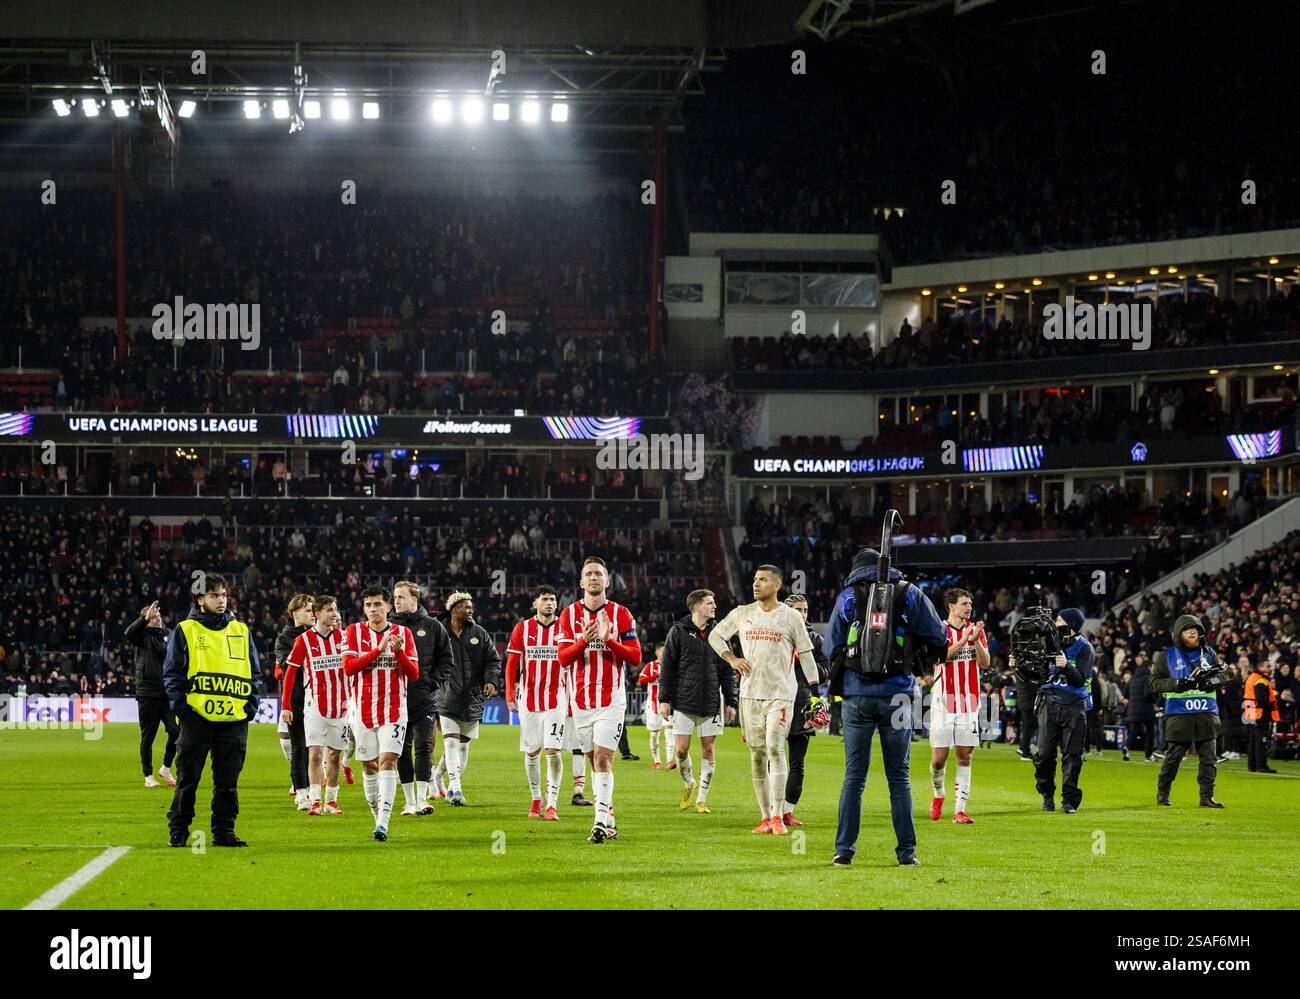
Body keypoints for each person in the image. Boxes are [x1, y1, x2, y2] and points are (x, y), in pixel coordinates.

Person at [825, 546, 947, 866]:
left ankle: (844, 852)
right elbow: (939, 637)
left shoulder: (848, 596)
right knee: (899, 778)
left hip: (857, 693)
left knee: (854, 776)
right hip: (898, 694)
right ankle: (906, 853)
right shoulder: (910, 593)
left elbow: (831, 646)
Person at [710, 565, 823, 837]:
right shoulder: (742, 613)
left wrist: (817, 692)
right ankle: (764, 817)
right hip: (750, 694)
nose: (756, 584)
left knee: (775, 748)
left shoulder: (791, 617)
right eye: (754, 579)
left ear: (777, 585)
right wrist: (732, 659)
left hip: (781, 694)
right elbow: (715, 636)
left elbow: (807, 655)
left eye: (763, 580)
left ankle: (777, 816)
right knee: (758, 754)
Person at [162, 572, 261, 848]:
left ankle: (224, 832)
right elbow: (172, 675)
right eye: (214, 595)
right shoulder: (185, 630)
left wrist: (249, 707)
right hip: (197, 720)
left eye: (223, 595)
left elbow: (254, 673)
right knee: (187, 779)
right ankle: (179, 831)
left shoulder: (240, 630)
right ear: (200, 599)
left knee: (227, 782)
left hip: (234, 719)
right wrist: (184, 710)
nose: (221, 600)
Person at [556, 556, 642, 844]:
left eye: (599, 574)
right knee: (595, 762)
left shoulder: (622, 614)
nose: (594, 578)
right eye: (589, 574)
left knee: (604, 758)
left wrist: (609, 641)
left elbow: (635, 656)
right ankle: (611, 818)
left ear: (607, 581)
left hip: (611, 700)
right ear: (581, 582)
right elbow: (563, 659)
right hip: (580, 702)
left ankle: (599, 822)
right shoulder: (568, 615)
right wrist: (584, 640)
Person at [341, 585, 419, 841]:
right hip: (362, 711)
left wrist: (397, 651)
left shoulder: (404, 634)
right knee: (369, 766)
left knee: (387, 761)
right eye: (368, 605)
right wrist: (378, 650)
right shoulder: (353, 632)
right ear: (364, 608)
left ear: (388, 606)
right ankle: (378, 817)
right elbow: (350, 668)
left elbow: (413, 674)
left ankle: (383, 823)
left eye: (378, 604)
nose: (373, 609)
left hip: (394, 711)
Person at [659, 588, 737, 815]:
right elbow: (668, 668)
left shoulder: (719, 634)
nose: (714, 606)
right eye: (709, 603)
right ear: (696, 607)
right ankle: (689, 783)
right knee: (681, 750)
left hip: (711, 702)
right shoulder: (678, 630)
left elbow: (727, 670)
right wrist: (664, 699)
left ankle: (702, 799)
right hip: (684, 702)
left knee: (708, 749)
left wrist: (731, 701)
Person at [1019, 608, 1095, 813]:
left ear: (1071, 626)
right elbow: (1037, 675)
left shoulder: (1085, 648)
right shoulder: (1047, 643)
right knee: (1044, 754)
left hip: (1074, 705)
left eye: (1059, 620)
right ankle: (1047, 794)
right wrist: (1019, 667)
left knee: (1072, 755)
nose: (1055, 623)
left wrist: (1065, 666)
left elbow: (1080, 679)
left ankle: (1069, 800)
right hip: (1048, 703)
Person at [280, 595, 348, 816]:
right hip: (314, 706)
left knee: (335, 756)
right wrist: (286, 704)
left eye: (335, 610)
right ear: (317, 614)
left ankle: (332, 801)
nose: (334, 614)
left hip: (341, 706)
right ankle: (316, 800)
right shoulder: (305, 640)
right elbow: (290, 673)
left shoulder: (344, 638)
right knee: (316, 754)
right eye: (329, 610)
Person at [391, 580, 454, 816]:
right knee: (402, 750)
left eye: (400, 597)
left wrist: (432, 683)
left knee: (424, 746)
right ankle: (408, 802)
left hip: (424, 698)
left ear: (413, 600)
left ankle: (421, 799)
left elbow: (447, 660)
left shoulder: (433, 627)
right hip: (396, 698)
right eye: (395, 597)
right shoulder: (388, 628)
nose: (396, 600)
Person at [1149, 614, 1225, 808]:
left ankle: (1207, 797)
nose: (1193, 632)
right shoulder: (1167, 656)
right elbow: (1154, 683)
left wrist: (1210, 682)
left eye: (1196, 629)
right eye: (1187, 629)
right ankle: (1163, 793)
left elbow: (1224, 677)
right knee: (1174, 758)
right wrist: (1179, 683)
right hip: (1178, 715)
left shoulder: (1209, 653)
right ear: (1178, 634)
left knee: (1209, 758)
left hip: (1206, 714)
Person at [506, 585, 567, 820]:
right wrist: (510, 694)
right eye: (545, 599)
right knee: (532, 752)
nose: (550, 603)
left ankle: (552, 804)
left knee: (553, 751)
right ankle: (535, 798)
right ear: (535, 603)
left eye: (553, 599)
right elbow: (512, 663)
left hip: (556, 699)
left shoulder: (565, 627)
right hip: (529, 700)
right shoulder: (522, 628)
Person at [437, 591, 503, 806]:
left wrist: (491, 681)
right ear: (454, 609)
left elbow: (493, 660)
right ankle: (455, 788)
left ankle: (439, 777)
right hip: (445, 695)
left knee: (463, 746)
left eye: (471, 606)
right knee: (451, 743)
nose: (471, 610)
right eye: (466, 606)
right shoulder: (439, 631)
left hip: (473, 697)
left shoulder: (479, 633)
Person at [929, 588, 987, 825]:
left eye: (970, 603)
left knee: (965, 755)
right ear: (951, 607)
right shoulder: (939, 629)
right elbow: (938, 658)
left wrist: (976, 643)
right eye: (964, 603)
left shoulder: (977, 630)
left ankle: (960, 810)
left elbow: (985, 662)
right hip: (944, 701)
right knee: (939, 759)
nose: (968, 607)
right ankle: (938, 795)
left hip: (969, 700)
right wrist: (963, 641)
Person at [780, 594, 829, 828]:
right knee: (773, 759)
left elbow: (828, 670)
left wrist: (806, 661)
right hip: (777, 702)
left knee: (797, 762)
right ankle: (772, 811)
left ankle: (788, 812)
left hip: (803, 703)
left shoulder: (816, 640)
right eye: (798, 609)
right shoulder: (775, 636)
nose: (803, 614)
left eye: (806, 610)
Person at [127, 599, 178, 788]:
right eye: (153, 616)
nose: (157, 618)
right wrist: (142, 619)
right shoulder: (141, 636)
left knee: (176, 731)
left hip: (167, 693)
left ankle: (165, 767)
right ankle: (148, 776)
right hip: (148, 693)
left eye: (158, 615)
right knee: (148, 737)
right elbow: (129, 633)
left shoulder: (169, 635)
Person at [276, 594, 314, 810]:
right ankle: (301, 793)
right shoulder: (284, 639)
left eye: (313, 610)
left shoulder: (320, 634)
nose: (312, 614)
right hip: (297, 700)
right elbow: (288, 667)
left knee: (313, 750)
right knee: (299, 748)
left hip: (319, 700)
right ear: (294, 613)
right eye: (308, 610)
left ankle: (311, 790)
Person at [637, 644, 674, 769]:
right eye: (662, 651)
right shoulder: (650, 666)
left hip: (668, 704)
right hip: (653, 705)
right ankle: (657, 761)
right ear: (656, 652)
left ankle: (670, 761)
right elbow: (641, 680)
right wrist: (656, 676)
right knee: (654, 735)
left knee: (669, 732)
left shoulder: (672, 666)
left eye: (666, 651)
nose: (664, 653)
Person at [1242, 659, 1280, 773]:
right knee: (1261, 740)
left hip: (1251, 712)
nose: (1269, 669)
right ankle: (1261, 765)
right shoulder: (1260, 680)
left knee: (1253, 740)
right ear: (1260, 667)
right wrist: (1270, 707)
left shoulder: (1252, 677)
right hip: (1260, 713)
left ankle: (1252, 765)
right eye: (1267, 666)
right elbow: (1262, 699)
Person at [1124, 652, 1157, 762]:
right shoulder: (1148, 678)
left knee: (1134, 731)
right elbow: (1147, 694)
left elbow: (1125, 692)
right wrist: (1155, 700)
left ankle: (1126, 747)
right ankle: (1148, 755)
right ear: (1149, 667)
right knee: (1150, 733)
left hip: (1133, 709)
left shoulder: (1133, 678)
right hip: (1146, 710)